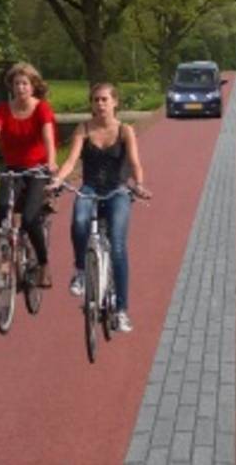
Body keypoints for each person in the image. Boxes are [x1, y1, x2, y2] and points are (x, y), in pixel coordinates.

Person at [51, 83, 152, 333]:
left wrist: (139, 185)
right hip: (89, 189)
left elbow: (135, 163)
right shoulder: (84, 129)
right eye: (96, 100)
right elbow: (71, 161)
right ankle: (81, 271)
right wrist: (58, 180)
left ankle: (121, 310)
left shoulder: (125, 130)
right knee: (79, 221)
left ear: (115, 102)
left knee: (117, 246)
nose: (100, 104)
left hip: (117, 190)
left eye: (105, 99)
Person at [0, 62, 58, 287]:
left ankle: (43, 264)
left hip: (37, 169)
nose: (20, 88)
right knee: (2, 213)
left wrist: (51, 162)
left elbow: (48, 138)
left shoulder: (41, 109)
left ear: (33, 86)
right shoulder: (2, 109)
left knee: (29, 218)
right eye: (17, 84)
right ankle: (5, 263)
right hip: (12, 169)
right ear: (11, 86)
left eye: (25, 83)